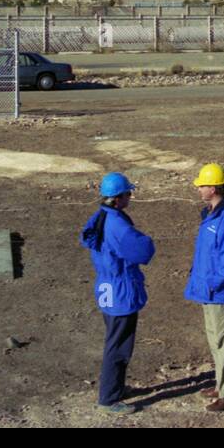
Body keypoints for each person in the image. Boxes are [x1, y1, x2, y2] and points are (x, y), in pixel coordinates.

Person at [79, 171, 155, 416]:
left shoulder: (101, 216)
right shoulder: (117, 225)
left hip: (107, 288)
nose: (130, 196)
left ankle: (115, 388)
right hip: (121, 291)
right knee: (119, 346)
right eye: (128, 193)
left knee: (114, 340)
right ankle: (109, 398)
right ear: (118, 197)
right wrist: (148, 240)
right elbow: (142, 252)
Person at [184, 162, 224, 412]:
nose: (199, 189)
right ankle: (221, 384)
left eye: (202, 185)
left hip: (217, 291)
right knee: (214, 340)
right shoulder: (211, 214)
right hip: (207, 289)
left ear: (214, 188)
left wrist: (213, 284)